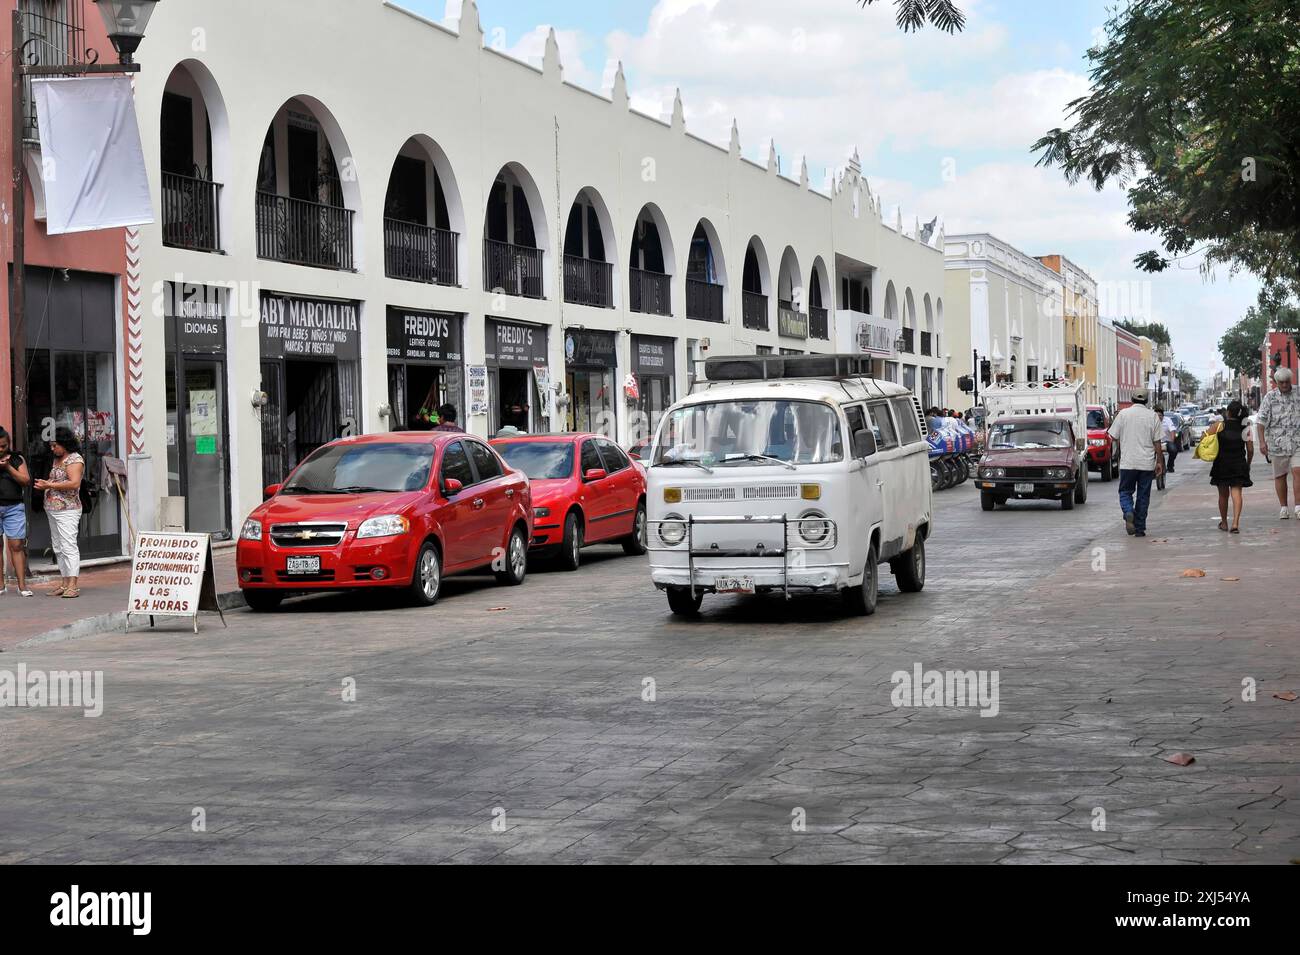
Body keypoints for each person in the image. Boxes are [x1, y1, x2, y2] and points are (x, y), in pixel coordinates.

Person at [32, 427, 84, 598]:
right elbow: (58, 480)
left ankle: (73, 585)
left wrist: (49, 486)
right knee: (59, 548)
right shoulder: (57, 459)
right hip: (53, 509)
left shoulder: (75, 460)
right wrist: (47, 483)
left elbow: (74, 483)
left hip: (67, 510)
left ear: (65, 444)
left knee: (69, 546)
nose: (52, 449)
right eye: (51, 446)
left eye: (55, 446)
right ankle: (64, 582)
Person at [1108, 390, 1164, 537]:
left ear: (1132, 399)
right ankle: (1140, 528)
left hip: (1128, 462)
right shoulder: (1153, 416)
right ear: (1147, 401)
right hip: (1146, 463)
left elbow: (1113, 436)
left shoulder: (1123, 414)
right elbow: (1157, 442)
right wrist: (1159, 461)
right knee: (1143, 496)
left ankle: (1128, 512)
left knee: (1125, 492)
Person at [1256, 367, 1300, 519]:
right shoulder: (1270, 397)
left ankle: (1298, 507)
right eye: (1281, 382)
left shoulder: (1298, 393)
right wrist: (1262, 442)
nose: (1285, 385)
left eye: (1287, 382)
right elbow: (1260, 421)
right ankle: (1284, 507)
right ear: (1276, 382)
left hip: (1297, 441)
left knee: (1298, 472)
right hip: (1277, 443)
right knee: (1280, 476)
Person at [1208, 400, 1254, 534]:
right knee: (1237, 492)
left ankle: (1224, 522)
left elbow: (1205, 439)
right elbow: (1250, 450)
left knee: (1223, 495)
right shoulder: (1246, 427)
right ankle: (1235, 523)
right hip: (1238, 464)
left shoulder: (1219, 425)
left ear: (1228, 412)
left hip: (1221, 464)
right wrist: (1248, 464)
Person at [0, 426, 33, 596]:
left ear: (8, 444)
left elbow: (26, 480)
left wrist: (8, 468)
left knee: (17, 545)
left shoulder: (16, 459)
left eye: (3, 446)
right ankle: (0, 585)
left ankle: (22, 585)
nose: (0, 449)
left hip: (14, 507)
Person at [1157, 406, 1179, 473]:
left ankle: (1170, 466)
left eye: (1160, 415)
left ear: (1163, 415)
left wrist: (1172, 442)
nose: (1158, 417)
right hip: (1156, 441)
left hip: (1166, 441)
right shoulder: (1152, 421)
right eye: (1156, 415)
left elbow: (1172, 431)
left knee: (1174, 450)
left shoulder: (1167, 420)